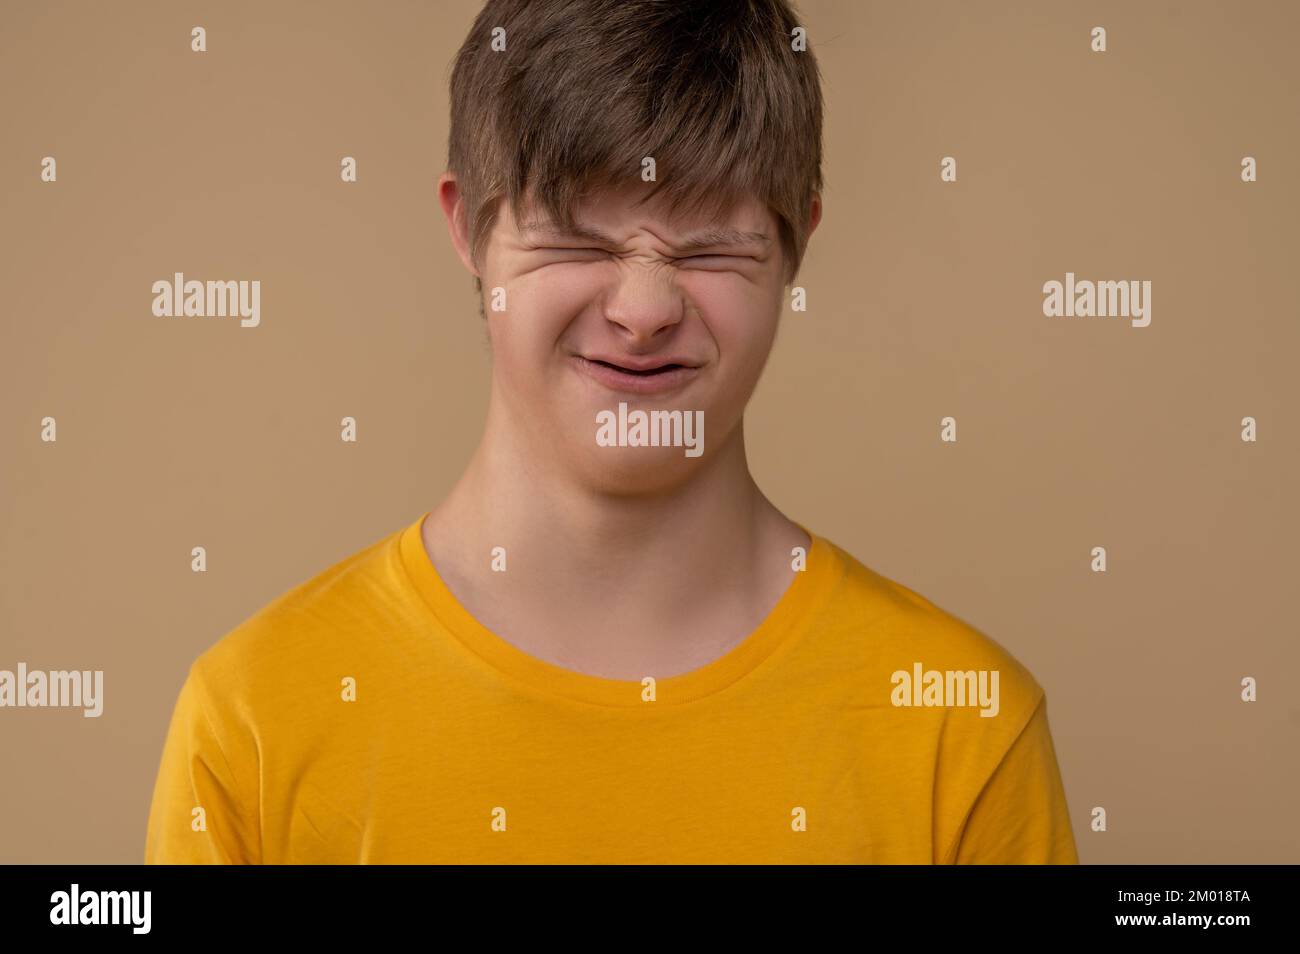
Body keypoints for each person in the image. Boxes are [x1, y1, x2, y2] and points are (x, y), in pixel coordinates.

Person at [145, 0, 1078, 864]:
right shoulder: (252, 721)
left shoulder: (966, 728)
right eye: (578, 239)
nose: (643, 309)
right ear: (468, 226)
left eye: (710, 246)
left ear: (797, 245)